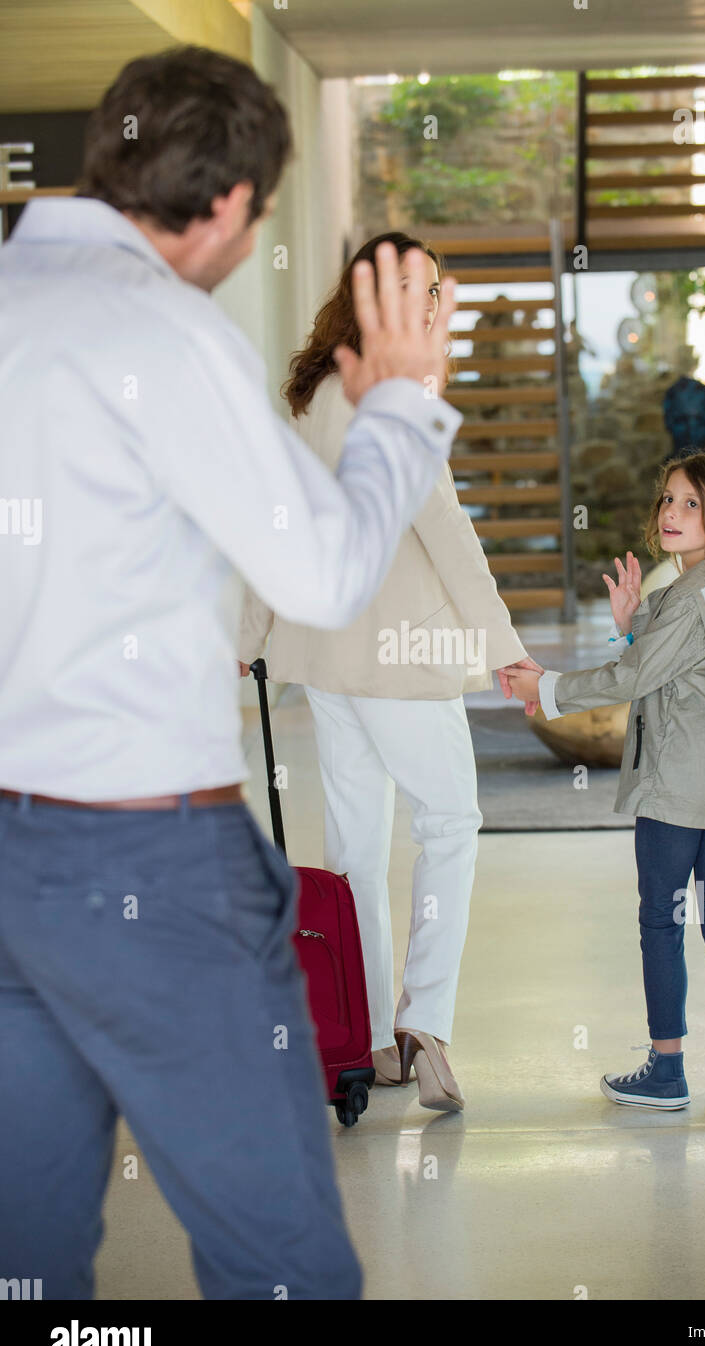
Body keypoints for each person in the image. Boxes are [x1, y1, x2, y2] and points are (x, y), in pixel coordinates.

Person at [0, 46, 463, 1300]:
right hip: (146, 864)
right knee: (281, 1266)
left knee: (26, 1264)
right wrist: (401, 410)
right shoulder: (161, 332)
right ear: (223, 208)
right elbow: (321, 574)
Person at [238, 232, 540, 1112]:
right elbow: (445, 531)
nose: (429, 299)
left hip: (325, 653)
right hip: (402, 657)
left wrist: (253, 631)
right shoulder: (391, 394)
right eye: (409, 284)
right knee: (449, 821)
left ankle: (362, 1036)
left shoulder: (318, 390)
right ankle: (425, 1023)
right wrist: (504, 649)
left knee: (358, 850)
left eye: (434, 285)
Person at [503, 454, 705, 1122]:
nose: (670, 513)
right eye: (667, 499)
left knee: (660, 921)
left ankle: (666, 1071)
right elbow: (667, 666)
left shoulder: (688, 600)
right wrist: (632, 619)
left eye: (691, 504)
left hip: (674, 791)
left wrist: (541, 688)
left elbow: (629, 679)